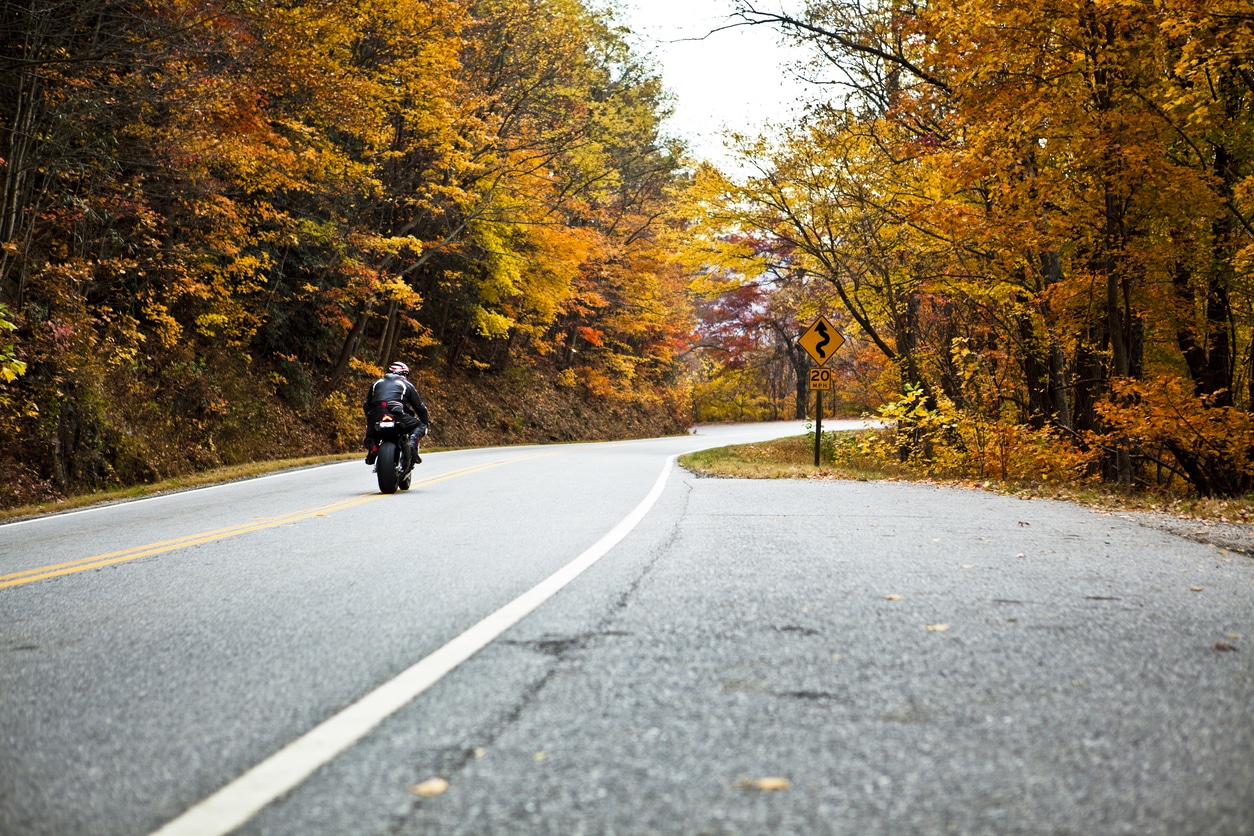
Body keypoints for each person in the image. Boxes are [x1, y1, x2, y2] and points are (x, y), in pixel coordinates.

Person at [363, 361, 430, 466]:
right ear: (404, 374)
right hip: (396, 413)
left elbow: (367, 404)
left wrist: (370, 418)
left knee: (371, 435)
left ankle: (373, 448)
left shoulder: (377, 383)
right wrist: (425, 422)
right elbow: (419, 407)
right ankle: (412, 444)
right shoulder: (406, 384)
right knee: (420, 425)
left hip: (375, 413)